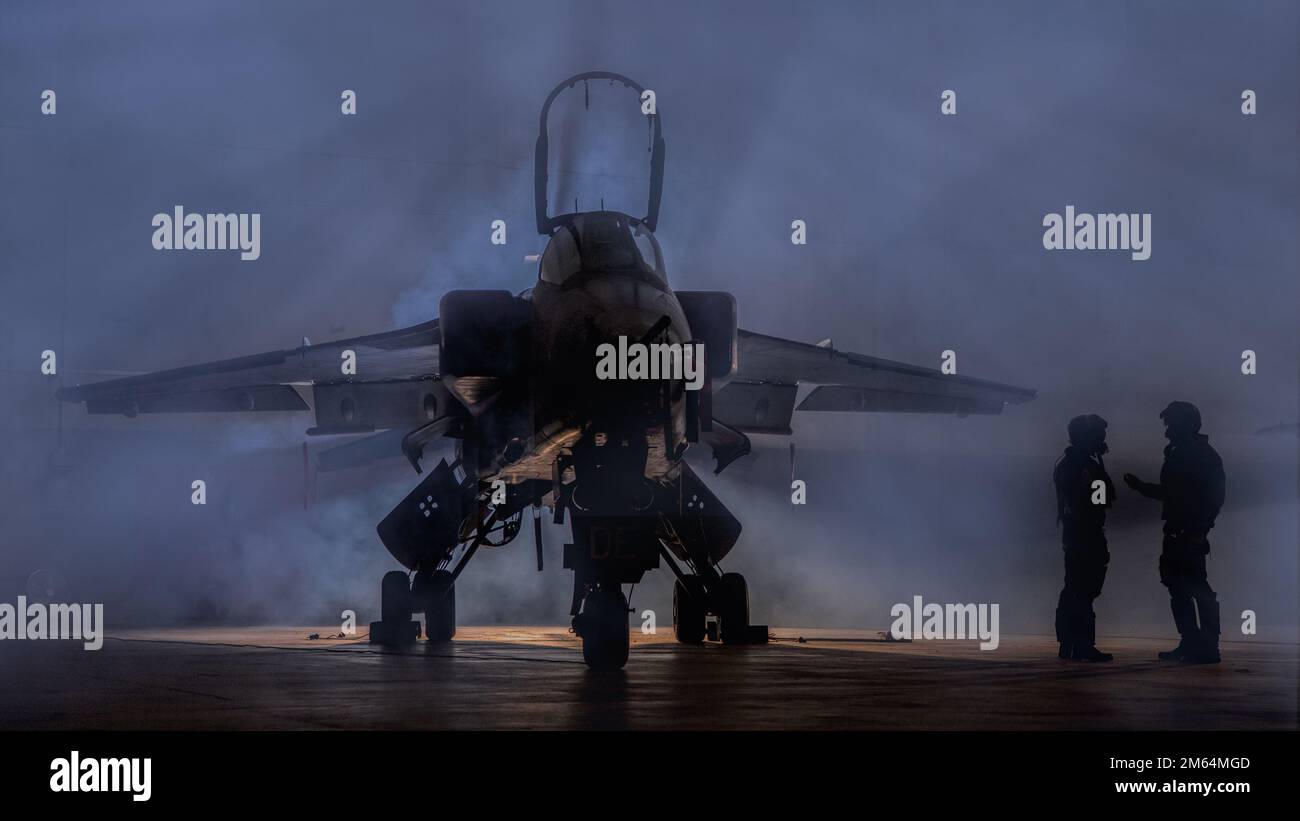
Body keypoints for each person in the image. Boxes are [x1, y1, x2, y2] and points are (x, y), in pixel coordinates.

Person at [1123, 401, 1226, 664]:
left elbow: (1213, 497)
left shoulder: (1199, 454)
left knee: (1195, 588)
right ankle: (1194, 643)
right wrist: (1142, 487)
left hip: (1188, 532)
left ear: (1187, 424)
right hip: (1180, 532)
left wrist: (1199, 530)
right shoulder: (1184, 452)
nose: (1167, 429)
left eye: (1171, 423)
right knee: (1180, 587)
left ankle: (1205, 646)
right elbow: (1175, 493)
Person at [1053, 414, 1115, 662]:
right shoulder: (1086, 466)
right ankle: (1082, 645)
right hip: (1086, 535)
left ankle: (1068, 643)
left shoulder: (1067, 464)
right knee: (1084, 592)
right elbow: (1100, 501)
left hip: (1075, 535)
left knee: (1073, 589)